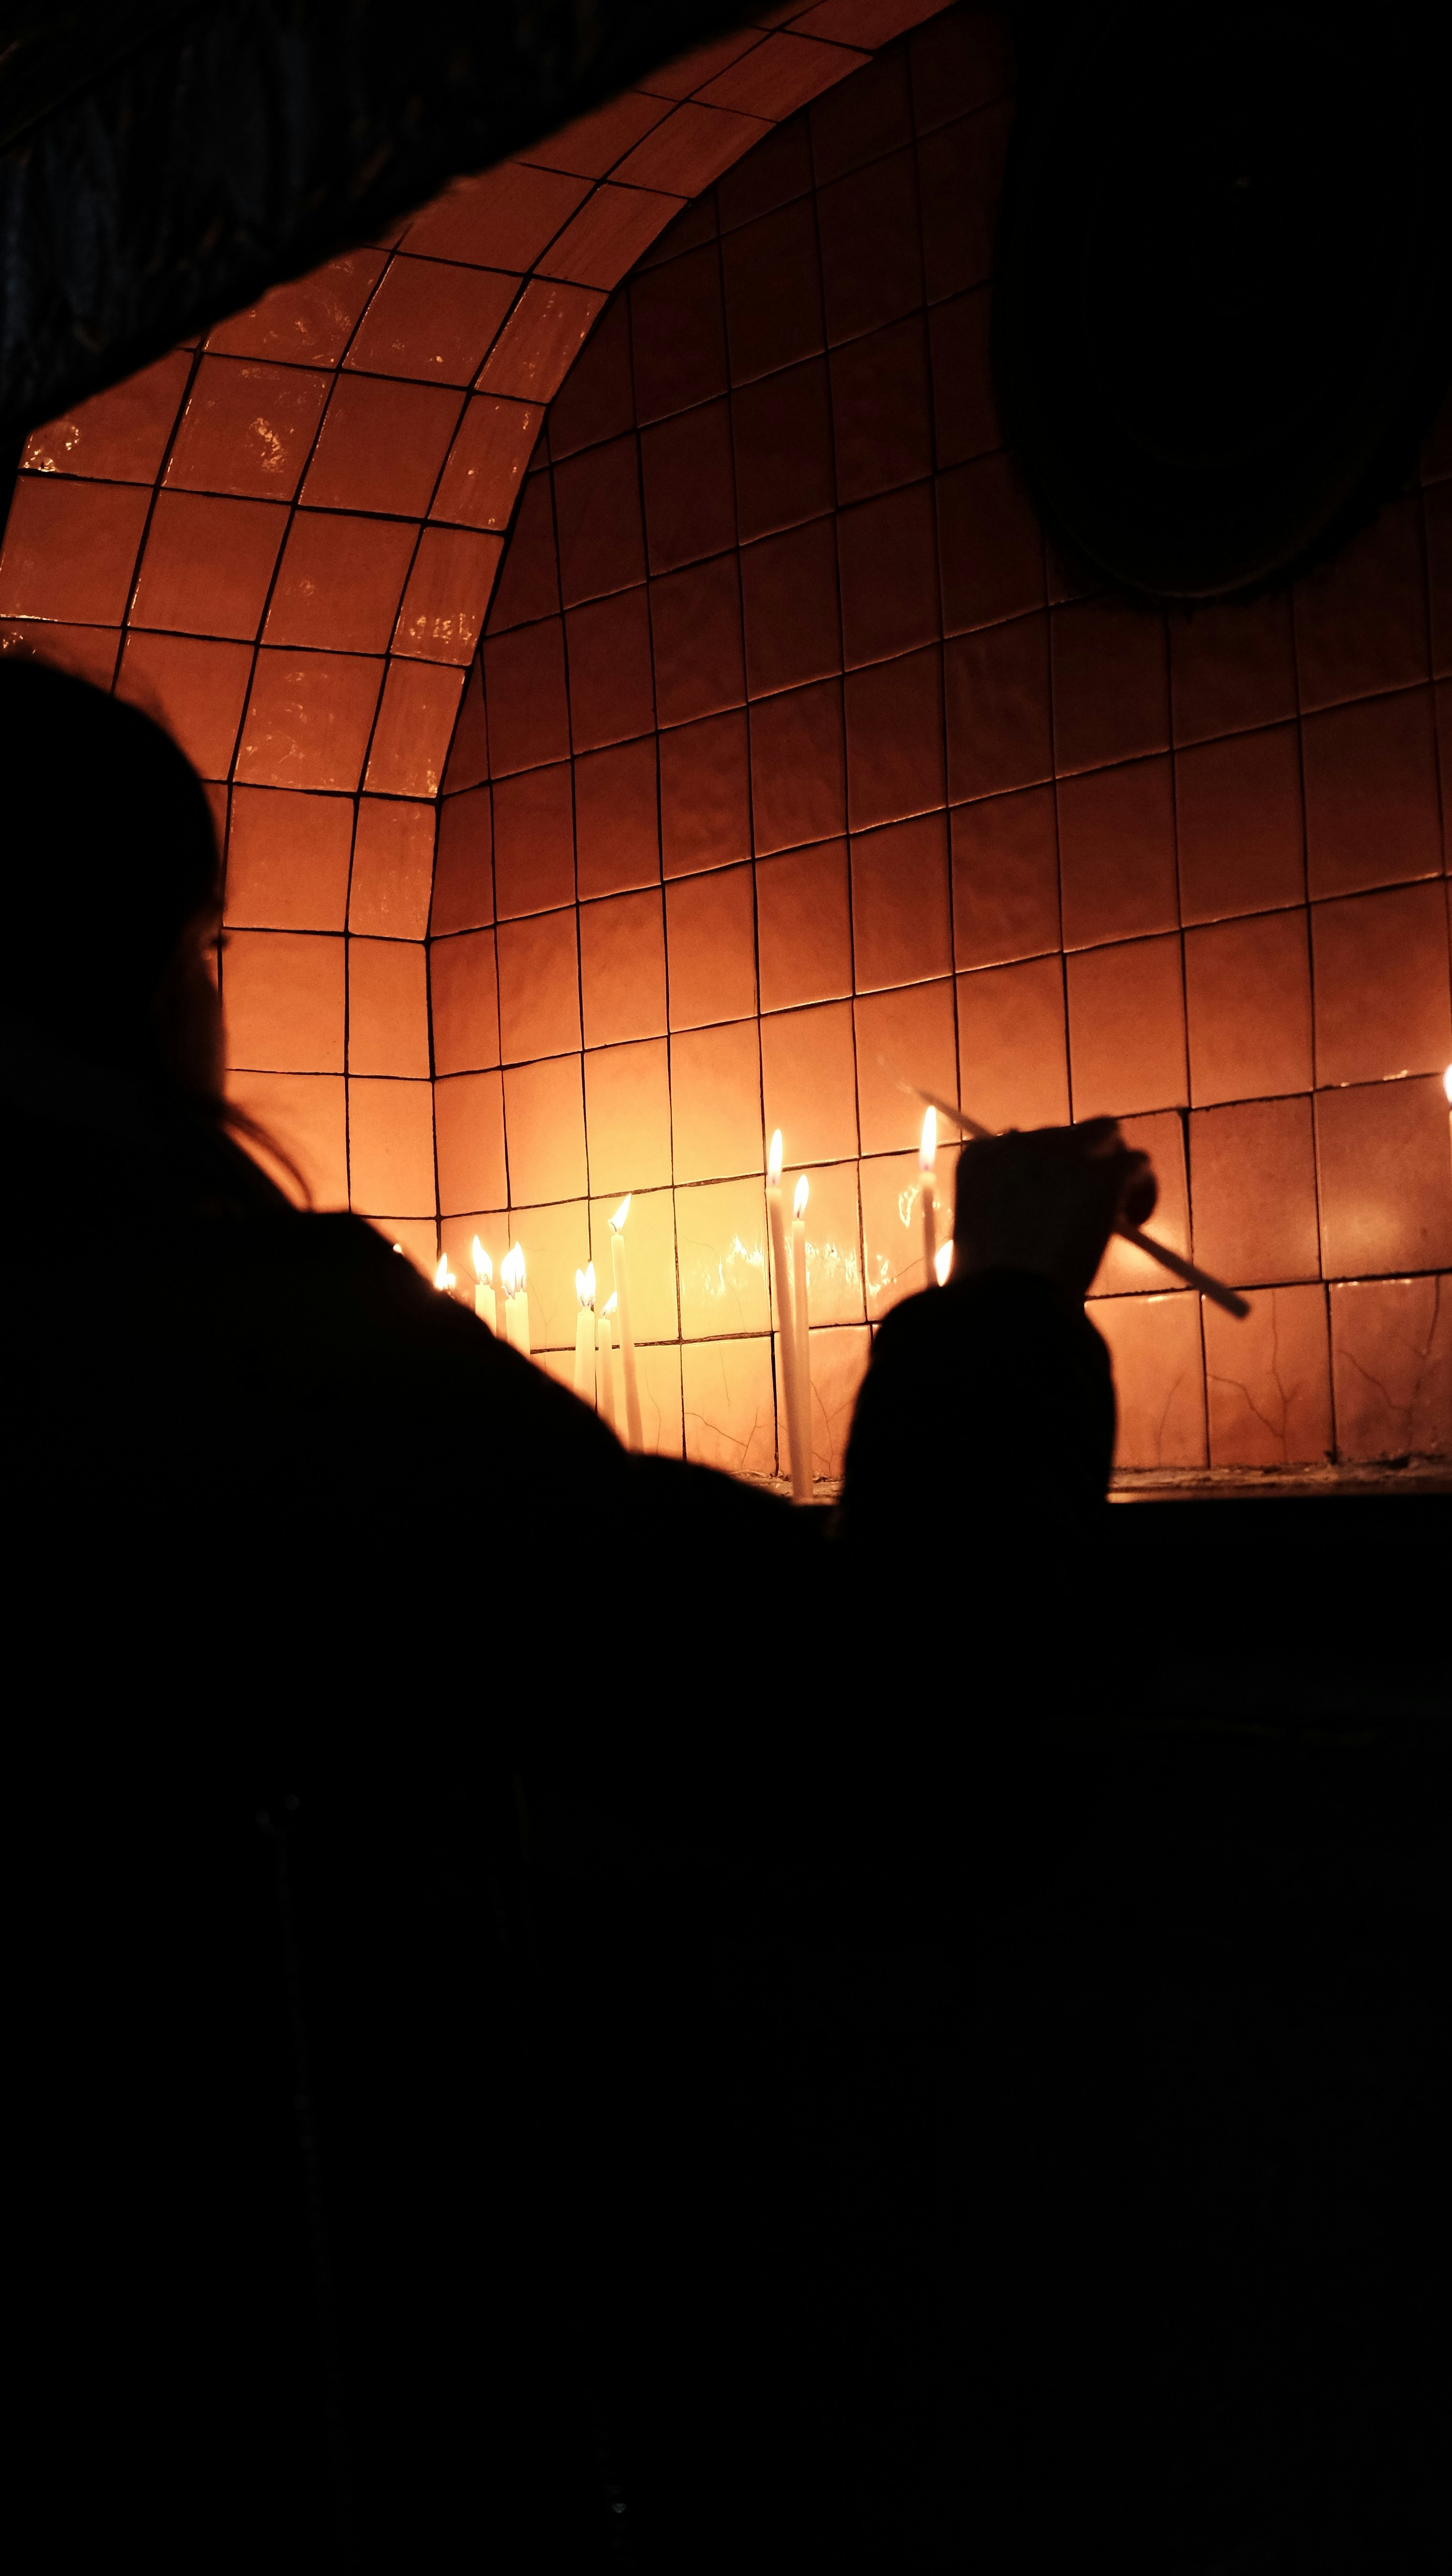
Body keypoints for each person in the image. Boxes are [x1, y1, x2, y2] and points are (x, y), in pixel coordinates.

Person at [3, 659, 1438, 2571]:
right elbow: (865, 1705)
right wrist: (1009, 1304)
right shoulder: (241, 1351)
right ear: (146, 969)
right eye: (208, 949)